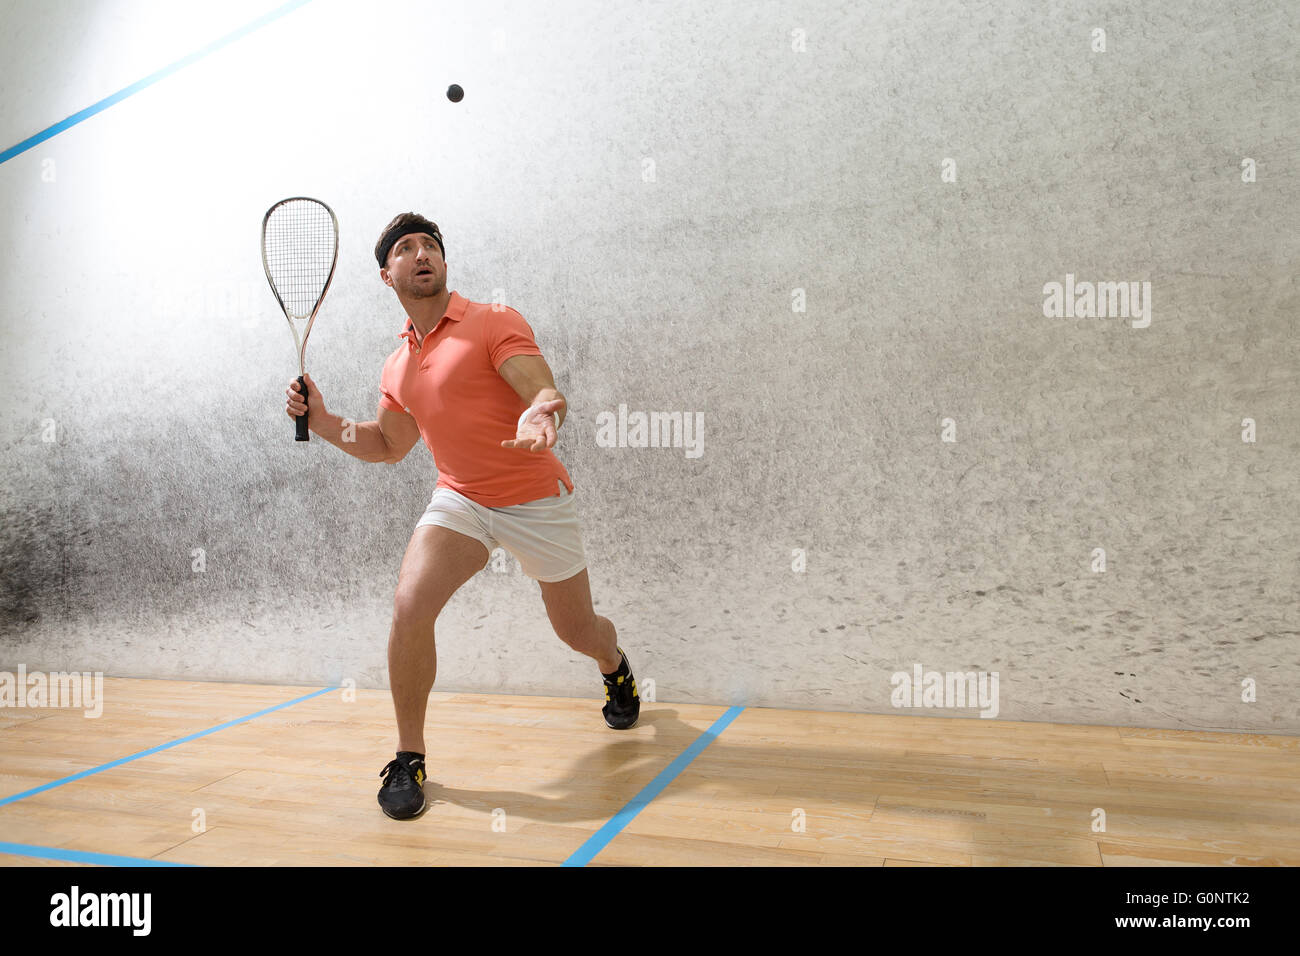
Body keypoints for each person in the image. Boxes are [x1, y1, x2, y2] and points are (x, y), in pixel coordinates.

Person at [283, 212, 639, 820]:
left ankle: (613, 663)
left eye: (431, 246)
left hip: (533, 496)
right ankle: (409, 757)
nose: (421, 254)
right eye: (406, 248)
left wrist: (543, 409)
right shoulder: (398, 365)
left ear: (443, 263)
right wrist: (321, 420)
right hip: (462, 499)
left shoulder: (491, 321)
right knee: (409, 606)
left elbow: (539, 386)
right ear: (385, 274)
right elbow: (389, 446)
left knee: (576, 631)